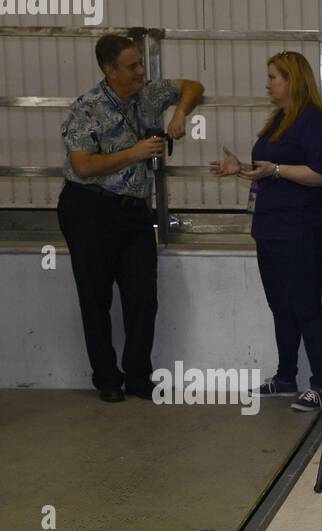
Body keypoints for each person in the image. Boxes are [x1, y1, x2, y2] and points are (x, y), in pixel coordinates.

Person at [58, 34, 203, 402]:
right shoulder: (87, 108)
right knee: (96, 298)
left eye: (142, 63)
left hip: (135, 211)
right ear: (110, 71)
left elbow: (192, 85)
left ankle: (138, 375)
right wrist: (134, 152)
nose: (142, 71)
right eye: (132, 66)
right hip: (91, 208)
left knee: (142, 296)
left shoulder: (149, 94)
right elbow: (83, 164)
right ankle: (107, 378)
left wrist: (181, 111)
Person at [210, 51, 322, 412]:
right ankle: (286, 376)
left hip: (300, 228)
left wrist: (276, 170)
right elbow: (270, 167)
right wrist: (241, 168)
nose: (267, 85)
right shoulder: (280, 119)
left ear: (292, 80)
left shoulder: (313, 122)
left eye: (273, 78)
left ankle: (320, 385)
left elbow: (321, 174)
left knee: (305, 305)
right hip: (269, 227)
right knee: (280, 305)